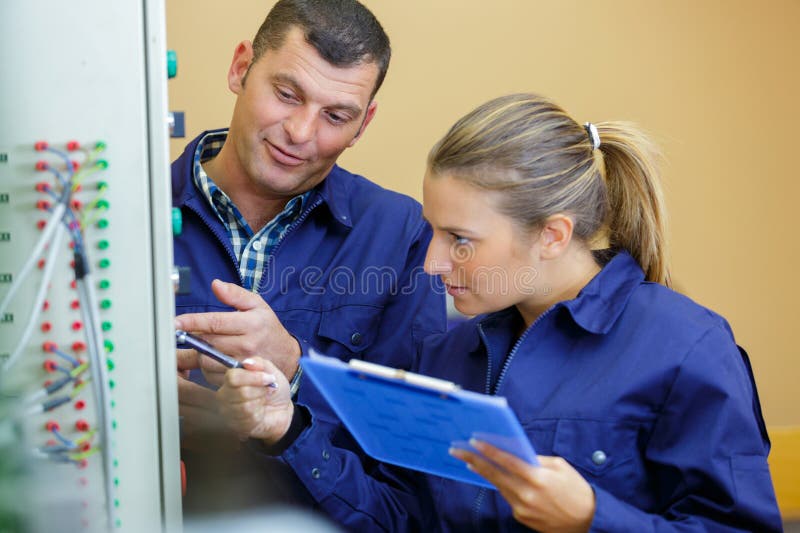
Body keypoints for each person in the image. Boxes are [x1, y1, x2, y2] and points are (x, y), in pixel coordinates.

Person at [218, 93, 783, 531]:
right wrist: (286, 430)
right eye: (433, 233)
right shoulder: (448, 354)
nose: (434, 263)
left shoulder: (686, 348)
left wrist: (591, 519)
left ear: (553, 235)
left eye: (460, 239)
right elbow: (400, 518)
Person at [171, 0, 446, 519]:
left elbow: (408, 500)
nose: (300, 133)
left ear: (363, 124)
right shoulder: (126, 212)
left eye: (335, 116)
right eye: (286, 94)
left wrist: (295, 377)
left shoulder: (403, 236)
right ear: (240, 68)